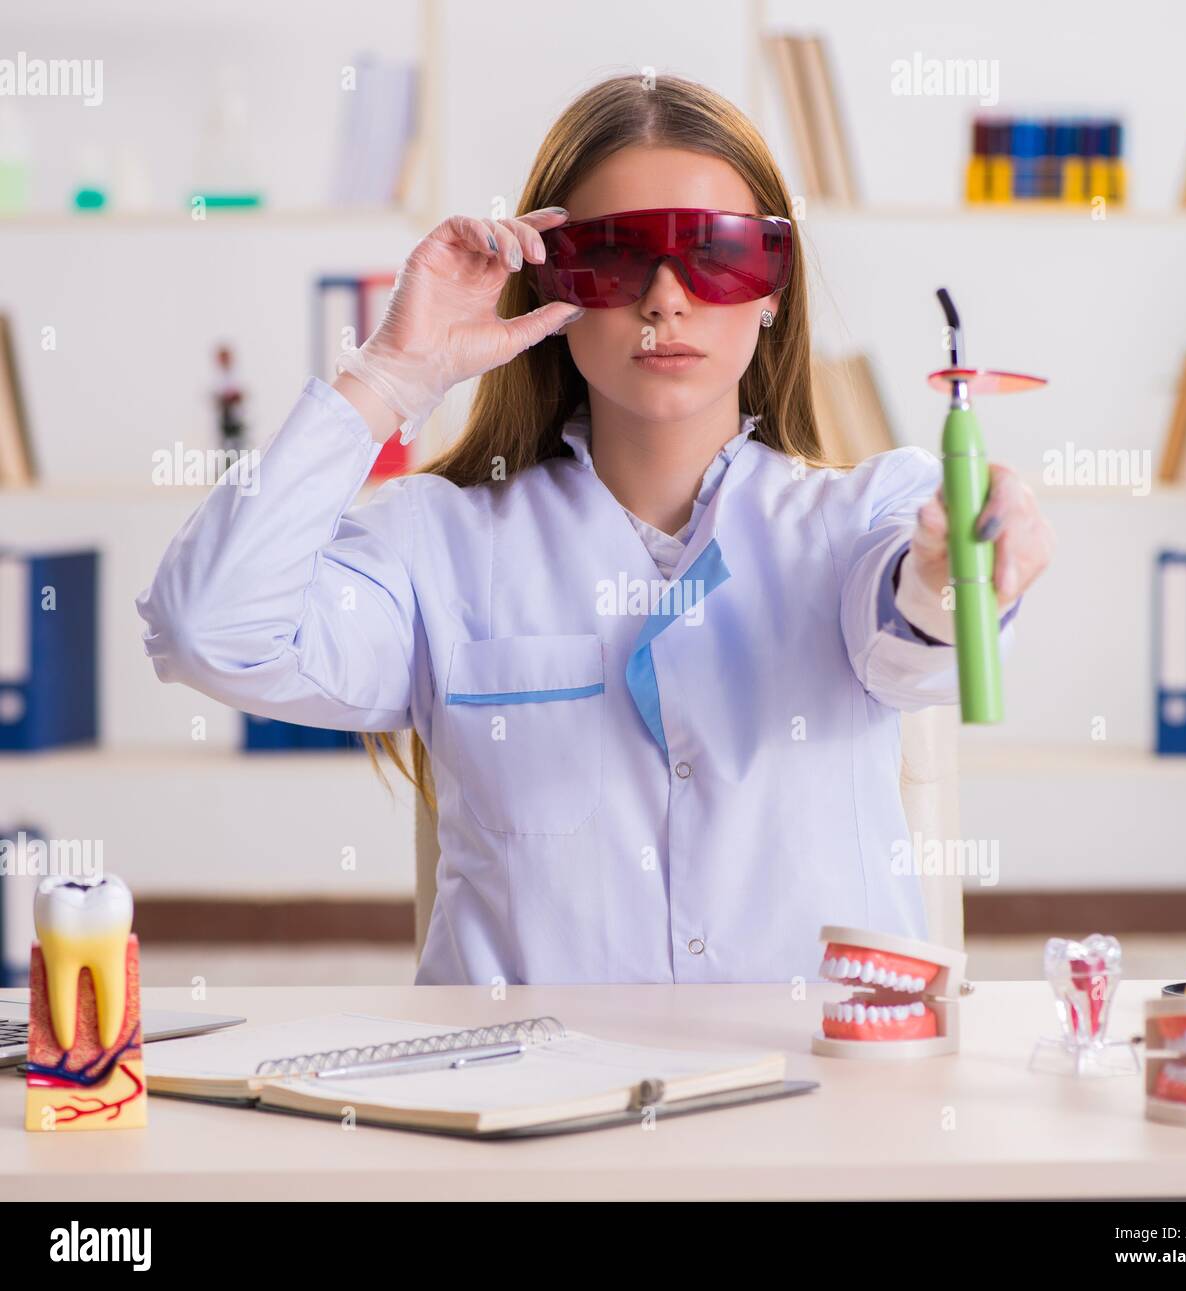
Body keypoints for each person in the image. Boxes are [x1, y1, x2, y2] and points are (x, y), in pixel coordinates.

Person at [136, 73, 1052, 985]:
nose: (664, 299)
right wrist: (390, 376)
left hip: (817, 1097)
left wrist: (951, 574)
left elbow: (918, 629)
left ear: (773, 289)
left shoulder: (862, 518)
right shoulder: (438, 543)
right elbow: (209, 630)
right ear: (551, 285)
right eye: (613, 259)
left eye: (718, 253)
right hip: (520, 1101)